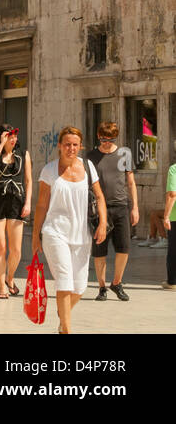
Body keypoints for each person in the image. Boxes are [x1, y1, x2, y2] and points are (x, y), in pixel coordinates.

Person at [32, 126, 108, 334]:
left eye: (75, 145)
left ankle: (62, 316)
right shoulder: (49, 170)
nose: (71, 148)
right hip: (55, 232)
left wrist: (102, 223)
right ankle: (66, 330)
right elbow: (41, 205)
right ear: (59, 146)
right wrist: (35, 235)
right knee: (64, 281)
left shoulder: (89, 167)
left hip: (82, 235)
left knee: (80, 288)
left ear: (80, 146)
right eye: (67, 144)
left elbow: (100, 197)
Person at [85, 121, 138, 301]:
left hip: (121, 205)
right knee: (100, 250)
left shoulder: (125, 153)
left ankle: (116, 282)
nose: (106, 143)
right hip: (100, 209)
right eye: (103, 139)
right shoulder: (91, 156)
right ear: (99, 137)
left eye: (110, 139)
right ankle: (101, 287)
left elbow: (130, 182)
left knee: (124, 248)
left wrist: (135, 208)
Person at [0, 125, 32, 298]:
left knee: (16, 250)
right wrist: (1, 144)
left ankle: (9, 278)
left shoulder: (23, 154)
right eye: (9, 136)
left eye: (14, 136)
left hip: (17, 201)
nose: (13, 139)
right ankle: (1, 288)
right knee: (1, 248)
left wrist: (28, 203)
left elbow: (28, 180)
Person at [164, 155, 176, 290]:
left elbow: (172, 194)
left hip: (175, 217)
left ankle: (172, 281)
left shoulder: (174, 169)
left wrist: (166, 216)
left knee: (173, 250)